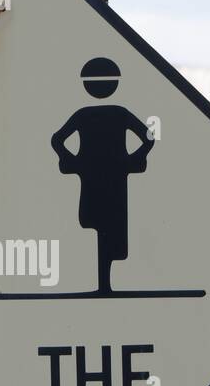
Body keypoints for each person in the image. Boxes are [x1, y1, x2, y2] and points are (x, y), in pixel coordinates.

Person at [50, 57, 155, 293]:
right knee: (101, 225)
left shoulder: (89, 114)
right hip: (105, 177)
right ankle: (103, 284)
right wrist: (134, 158)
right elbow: (149, 137)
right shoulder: (113, 113)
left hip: (106, 177)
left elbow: (57, 139)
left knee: (108, 228)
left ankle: (104, 285)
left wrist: (71, 159)